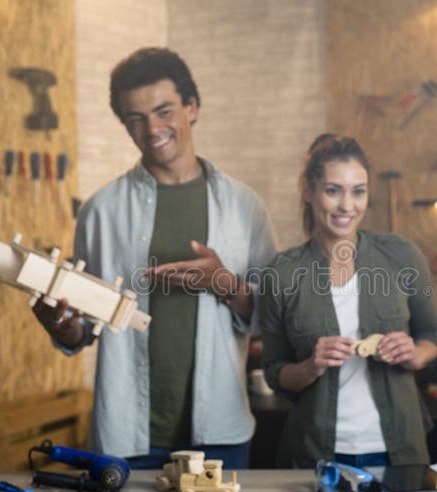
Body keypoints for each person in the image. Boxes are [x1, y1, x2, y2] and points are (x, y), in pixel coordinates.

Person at [32, 47, 277, 469]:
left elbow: (273, 316)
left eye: (164, 111)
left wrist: (224, 283)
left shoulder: (244, 207)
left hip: (221, 435)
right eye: (136, 118)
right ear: (125, 125)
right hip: (127, 437)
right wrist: (65, 327)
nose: (153, 128)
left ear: (192, 107)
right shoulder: (100, 211)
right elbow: (83, 328)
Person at [260, 134, 437, 468]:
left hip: (398, 449)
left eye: (358, 191)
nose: (348, 206)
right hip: (315, 453)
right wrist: (310, 366)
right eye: (333, 190)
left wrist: (414, 355)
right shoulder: (282, 273)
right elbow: (275, 371)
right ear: (308, 191)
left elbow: (434, 335)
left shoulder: (402, 256)